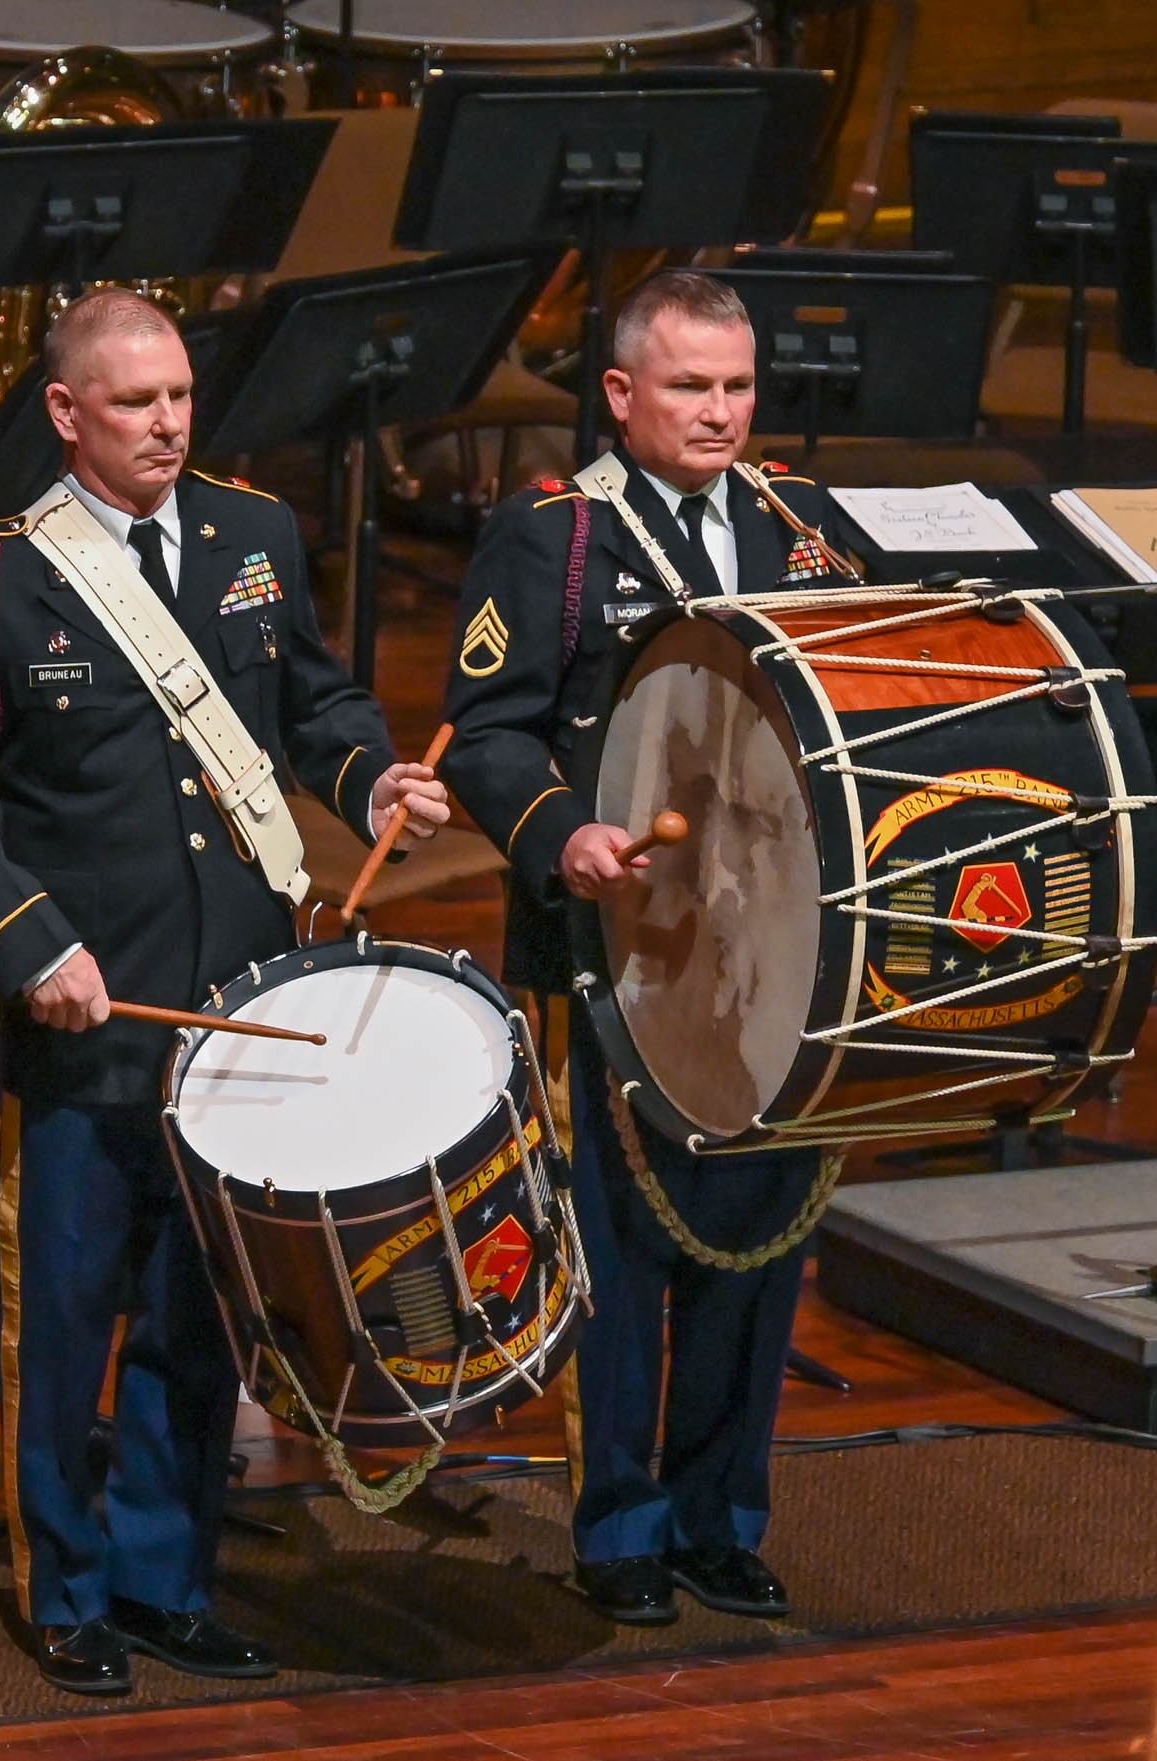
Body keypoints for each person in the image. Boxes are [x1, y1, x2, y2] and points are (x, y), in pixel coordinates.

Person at [0, 288, 450, 1695]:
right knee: (68, 1319)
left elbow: (313, 703)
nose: (169, 424)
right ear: (66, 414)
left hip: (238, 1002)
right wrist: (29, 945)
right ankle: (66, 1590)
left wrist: (370, 779)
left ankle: (163, 1577)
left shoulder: (254, 536)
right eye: (136, 403)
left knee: (202, 1320)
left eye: (181, 396)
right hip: (91, 1009)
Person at [439, 270, 862, 1628]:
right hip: (614, 941)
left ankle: (720, 1517)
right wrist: (559, 832)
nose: (720, 412)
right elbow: (488, 731)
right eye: (690, 386)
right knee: (620, 1247)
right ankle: (619, 1522)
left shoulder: (800, 523)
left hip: (781, 941)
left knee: (759, 1232)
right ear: (621, 395)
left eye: (737, 385)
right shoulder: (555, 537)